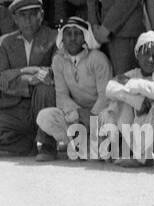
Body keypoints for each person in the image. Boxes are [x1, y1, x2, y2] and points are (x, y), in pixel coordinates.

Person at [0, 0, 56, 156]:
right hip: (14, 106)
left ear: (41, 15)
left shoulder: (54, 37)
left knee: (45, 87)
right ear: (15, 19)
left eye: (33, 14)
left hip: (42, 101)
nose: (28, 20)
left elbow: (54, 72)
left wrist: (18, 75)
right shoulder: (4, 42)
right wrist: (29, 75)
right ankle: (29, 145)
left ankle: (48, 145)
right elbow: (2, 80)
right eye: (23, 15)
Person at [36, 17, 113, 162]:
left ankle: (89, 144)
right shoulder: (58, 60)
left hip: (100, 115)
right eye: (68, 34)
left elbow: (105, 96)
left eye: (77, 33)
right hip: (77, 115)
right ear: (62, 38)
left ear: (85, 37)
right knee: (45, 117)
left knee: (97, 153)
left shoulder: (98, 58)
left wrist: (90, 117)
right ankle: (79, 143)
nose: (72, 38)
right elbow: (62, 96)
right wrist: (78, 114)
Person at [103, 30, 154, 168]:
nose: (150, 60)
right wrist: (137, 101)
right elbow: (110, 88)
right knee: (119, 102)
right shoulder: (134, 73)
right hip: (140, 135)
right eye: (146, 54)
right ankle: (138, 154)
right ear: (137, 54)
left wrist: (131, 84)